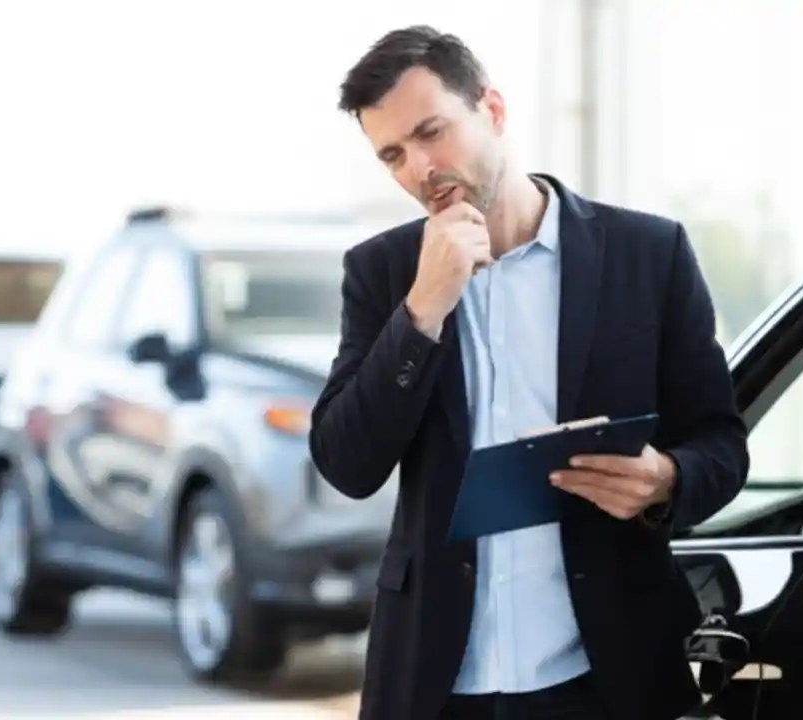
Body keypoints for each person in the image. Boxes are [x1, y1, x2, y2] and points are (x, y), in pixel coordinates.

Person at [310, 25, 749, 720]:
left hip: (606, 675)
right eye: (392, 154)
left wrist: (665, 479)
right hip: (437, 680)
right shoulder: (384, 272)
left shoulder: (648, 254)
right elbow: (346, 462)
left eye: (432, 132)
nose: (419, 168)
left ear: (493, 109)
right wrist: (423, 309)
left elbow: (721, 445)